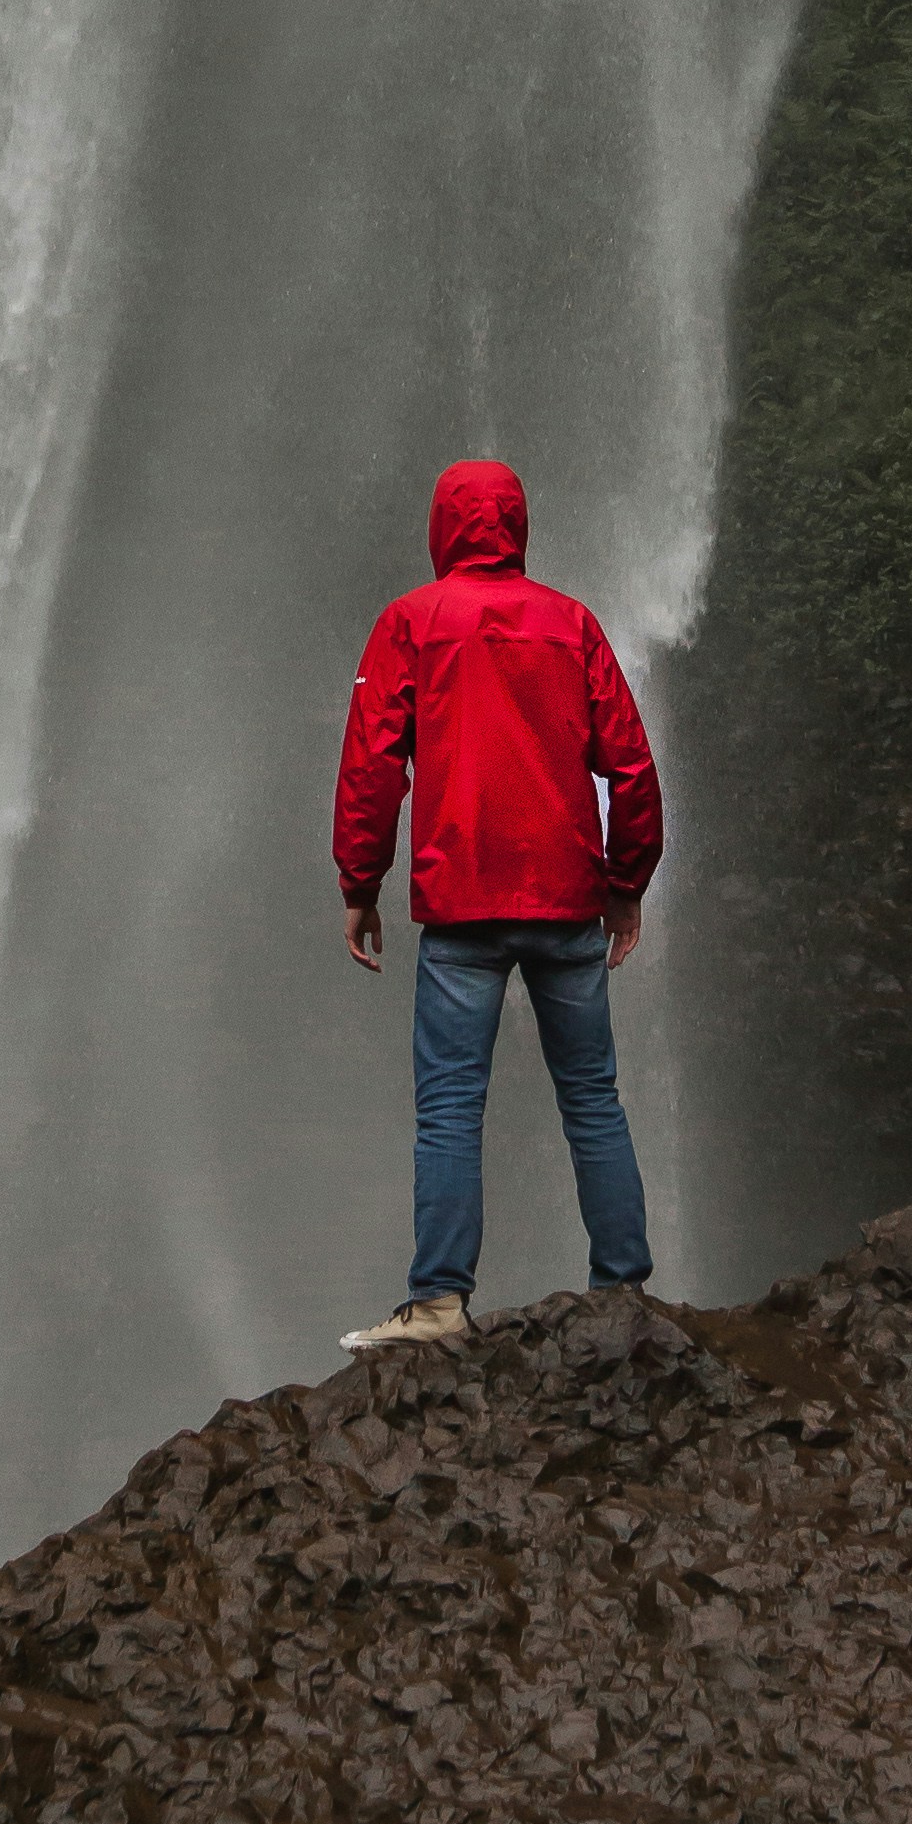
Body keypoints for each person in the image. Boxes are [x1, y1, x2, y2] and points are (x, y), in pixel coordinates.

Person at [329, 456, 663, 1350]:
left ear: (442, 527)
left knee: (449, 1106)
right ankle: (623, 1287)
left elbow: (372, 766)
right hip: (567, 900)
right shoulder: (572, 623)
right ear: (518, 525)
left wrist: (361, 883)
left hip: (462, 904)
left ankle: (439, 1303)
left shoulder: (411, 622)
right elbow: (632, 767)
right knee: (592, 1098)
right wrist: (625, 884)